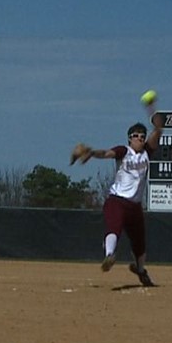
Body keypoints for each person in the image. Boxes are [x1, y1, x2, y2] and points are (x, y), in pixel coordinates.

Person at [69, 100, 164, 287]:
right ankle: (109, 255)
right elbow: (106, 153)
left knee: (140, 244)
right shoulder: (124, 151)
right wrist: (91, 152)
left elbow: (159, 131)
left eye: (142, 136)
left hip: (135, 206)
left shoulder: (147, 152)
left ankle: (141, 270)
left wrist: (151, 108)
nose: (140, 139)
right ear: (129, 138)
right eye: (136, 136)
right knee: (114, 226)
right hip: (117, 201)